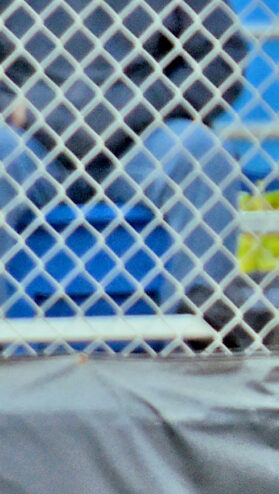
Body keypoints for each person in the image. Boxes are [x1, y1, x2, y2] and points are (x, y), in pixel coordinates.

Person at [0, 0, 246, 317]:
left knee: (201, 150)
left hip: (142, 138)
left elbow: (220, 61)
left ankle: (200, 327)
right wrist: (20, 108)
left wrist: (125, 111)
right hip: (28, 141)